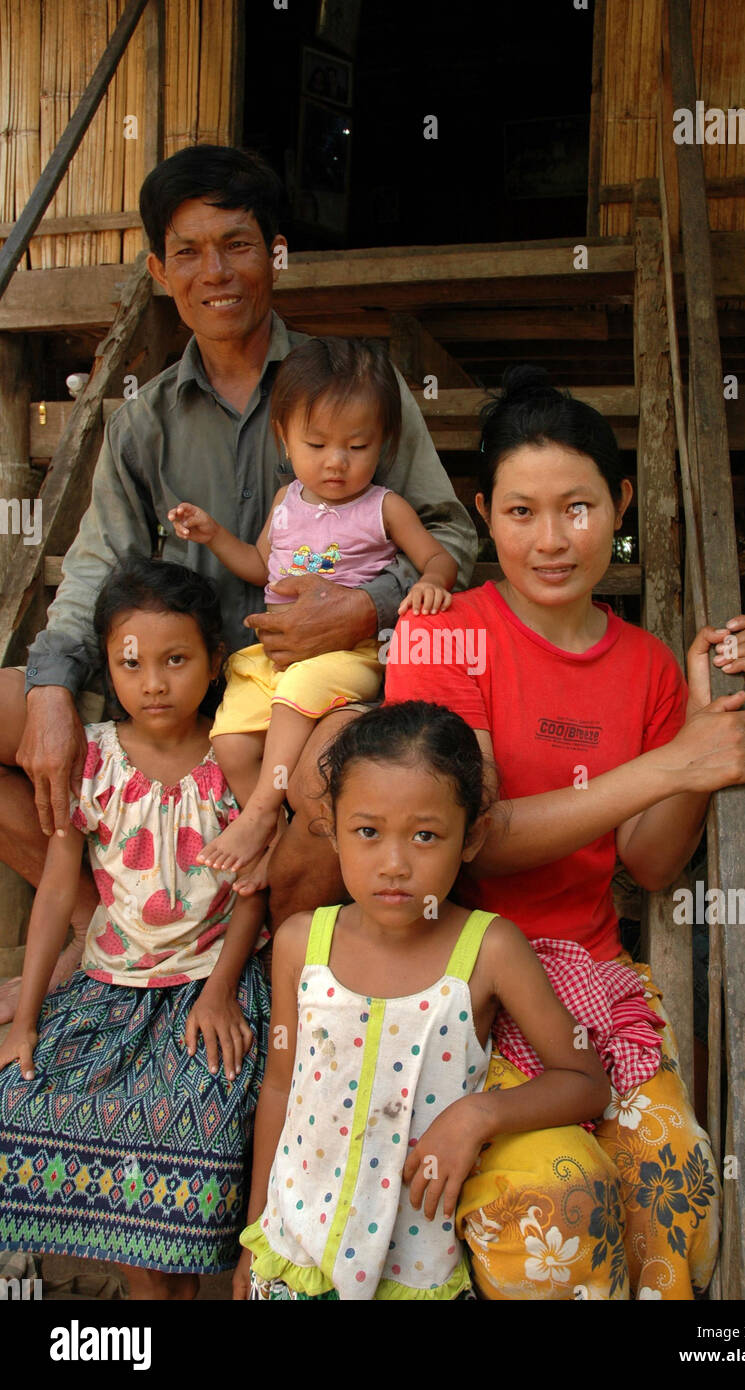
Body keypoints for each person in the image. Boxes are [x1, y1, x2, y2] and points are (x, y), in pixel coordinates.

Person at [0, 143, 476, 1021]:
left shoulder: (353, 389)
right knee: (12, 709)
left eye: (238, 244)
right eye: (188, 250)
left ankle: (257, 960)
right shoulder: (143, 420)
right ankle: (102, 926)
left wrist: (362, 608)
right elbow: (98, 563)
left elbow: (451, 533)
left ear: (277, 255)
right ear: (158, 269)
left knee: (343, 774)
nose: (214, 271)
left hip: (314, 691)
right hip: (174, 680)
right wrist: (53, 684)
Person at [384, 365, 745, 1299]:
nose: (551, 541)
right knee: (555, 1213)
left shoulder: (644, 665)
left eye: (579, 508)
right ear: (483, 514)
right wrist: (673, 763)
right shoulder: (444, 640)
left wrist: (702, 730)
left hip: (596, 982)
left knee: (676, 1193)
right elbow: (474, 834)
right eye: (520, 513)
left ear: (621, 502)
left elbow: (646, 858)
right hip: (467, 992)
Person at [233, 701, 612, 1300]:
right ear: (330, 827)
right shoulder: (303, 941)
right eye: (367, 831)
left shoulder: (487, 949)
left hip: (416, 1272)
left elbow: (586, 1080)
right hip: (292, 1255)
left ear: (472, 836)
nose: (394, 864)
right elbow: (280, 1086)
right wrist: (253, 1237)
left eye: (426, 835)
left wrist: (476, 1115)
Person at [0, 559, 269, 1299]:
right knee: (29, 1098)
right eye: (131, 663)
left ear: (215, 662)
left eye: (176, 660)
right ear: (107, 666)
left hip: (208, 984)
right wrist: (26, 1021)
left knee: (199, 1123)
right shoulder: (91, 758)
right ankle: (149, 1295)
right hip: (109, 985)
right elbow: (58, 891)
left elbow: (252, 890)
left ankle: (175, 1288)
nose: (153, 682)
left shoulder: (233, 759)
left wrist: (219, 995)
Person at [167, 337, 456, 889]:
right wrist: (212, 535)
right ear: (284, 436)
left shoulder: (383, 507)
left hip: (349, 655)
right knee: (227, 740)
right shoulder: (286, 502)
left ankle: (253, 816)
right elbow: (257, 565)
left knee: (297, 692)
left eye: (357, 445)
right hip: (272, 657)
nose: (336, 461)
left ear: (384, 443)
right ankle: (271, 824)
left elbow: (437, 557)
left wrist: (432, 586)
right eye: (317, 443)